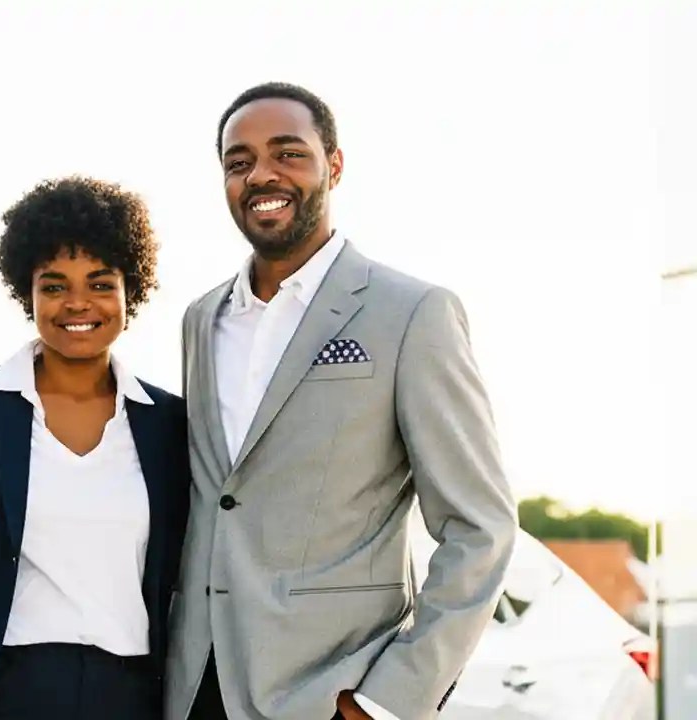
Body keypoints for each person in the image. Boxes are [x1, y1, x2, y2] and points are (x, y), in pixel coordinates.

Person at [166, 82, 518, 720]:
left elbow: (480, 527)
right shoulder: (200, 320)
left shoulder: (411, 314)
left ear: (334, 163)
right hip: (194, 688)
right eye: (238, 161)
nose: (260, 175)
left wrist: (391, 698)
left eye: (287, 153)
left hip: (328, 694)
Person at [0, 176, 191, 720]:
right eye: (54, 285)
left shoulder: (168, 422)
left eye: (100, 283)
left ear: (131, 291)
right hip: (0, 692)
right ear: (26, 292)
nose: (78, 303)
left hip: (131, 697)